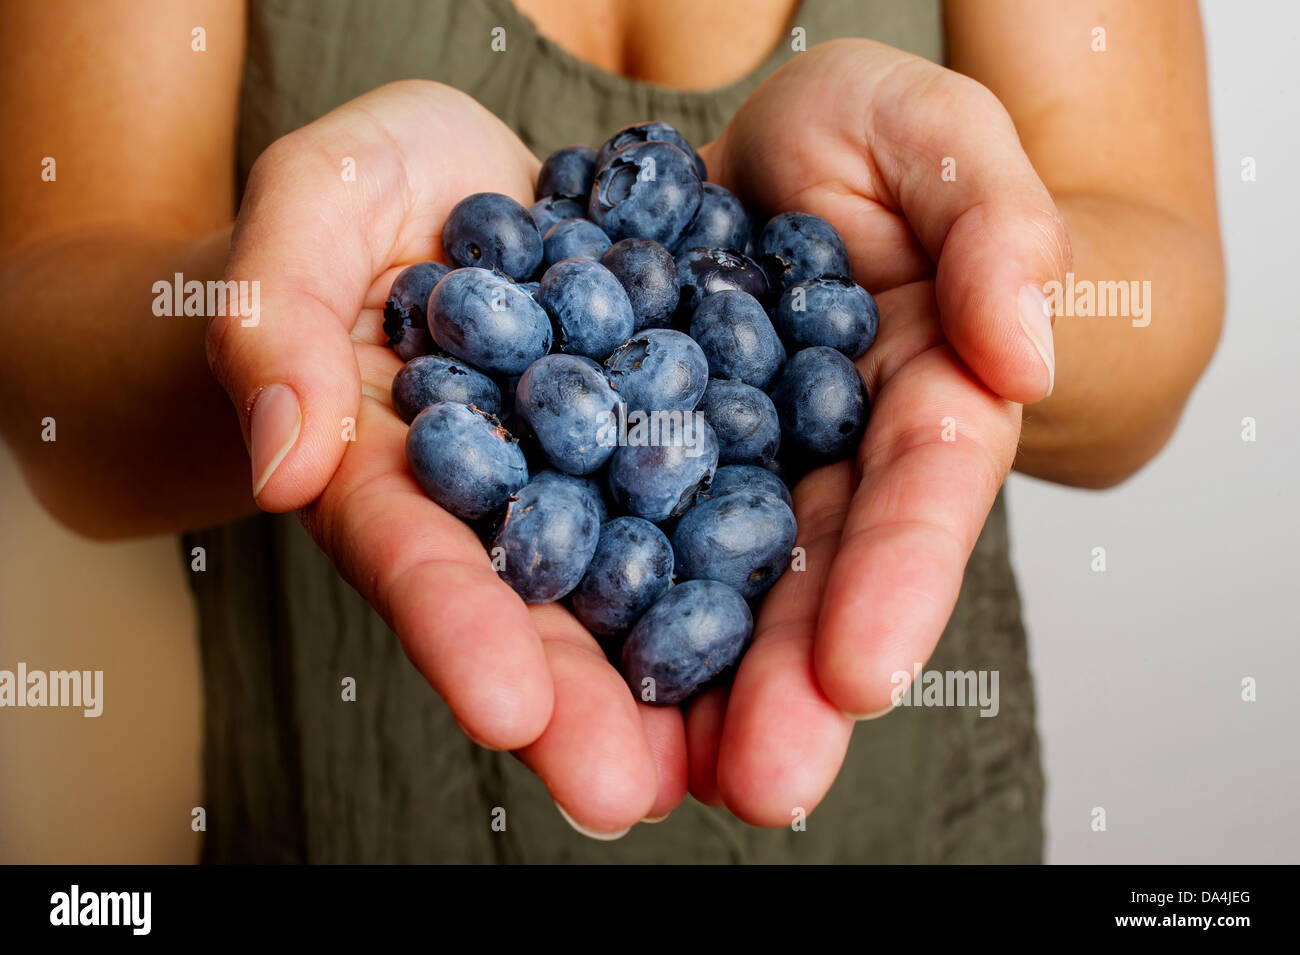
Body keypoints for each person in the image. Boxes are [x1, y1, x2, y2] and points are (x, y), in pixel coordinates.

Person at [0, 0, 1222, 862]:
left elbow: (1159, 297)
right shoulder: (530, 348)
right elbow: (50, 368)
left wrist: (987, 285)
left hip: (901, 797)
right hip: (364, 804)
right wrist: (286, 318)